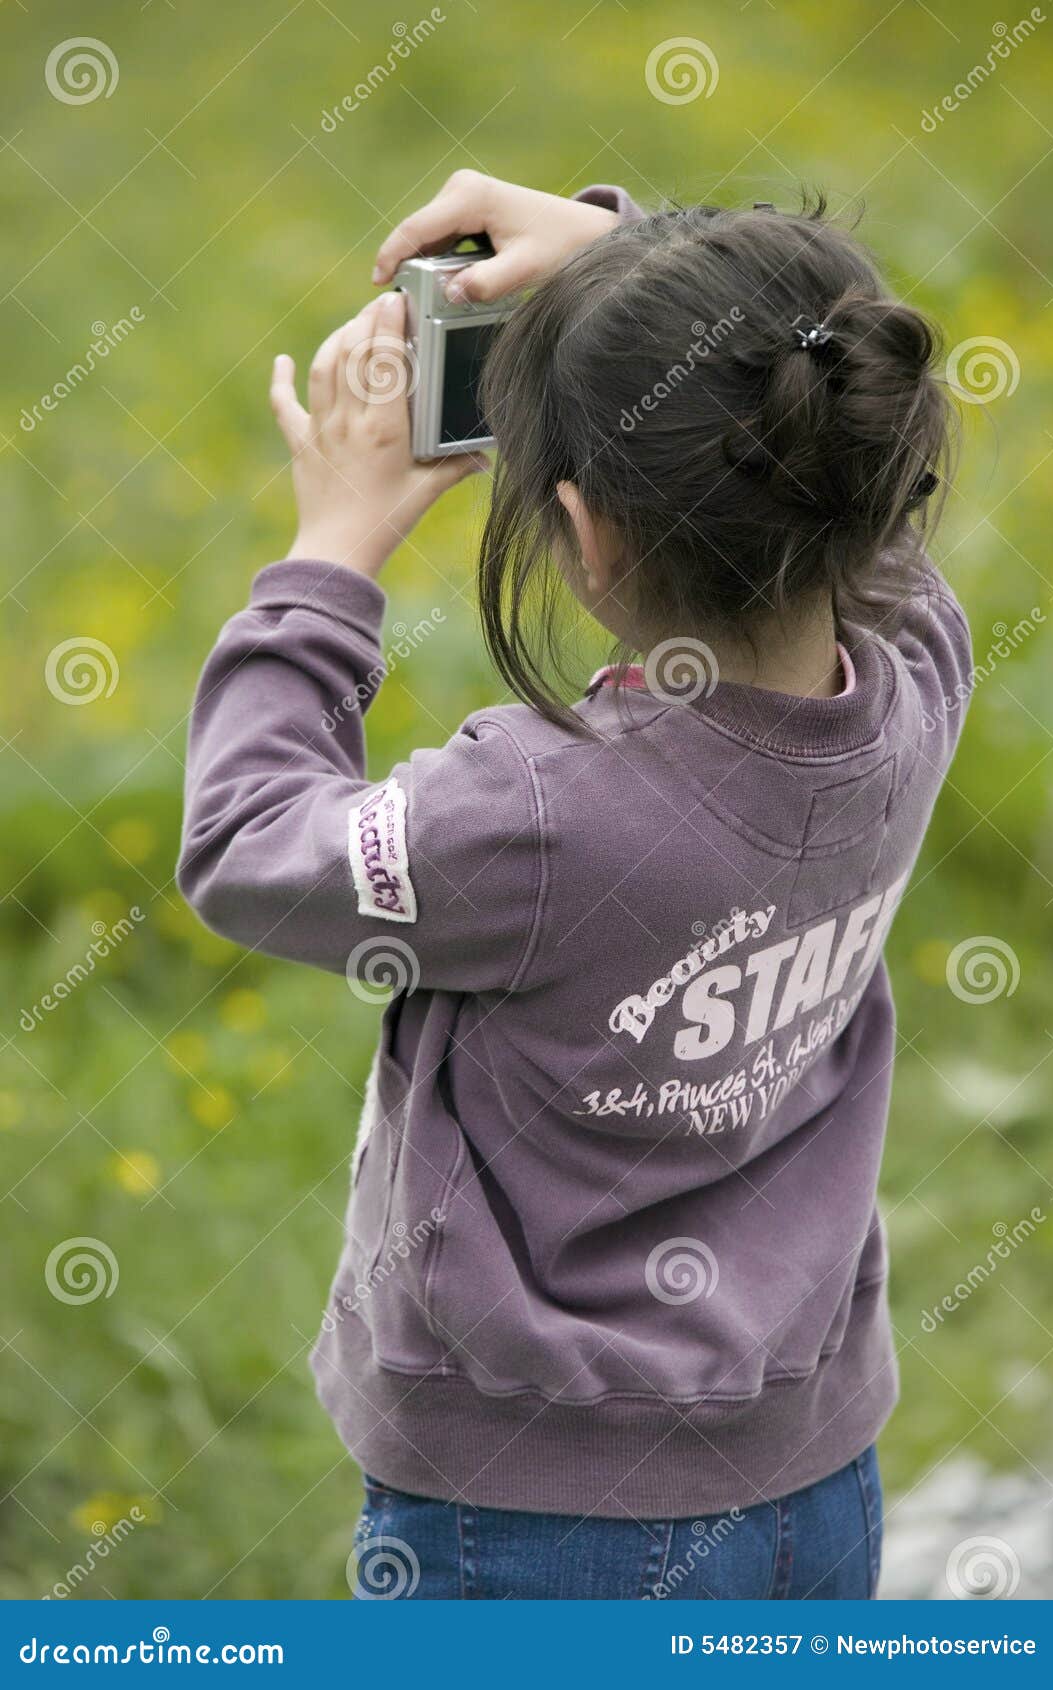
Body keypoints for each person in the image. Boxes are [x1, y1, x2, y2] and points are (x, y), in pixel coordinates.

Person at [178, 171, 971, 1600]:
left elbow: (247, 844)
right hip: (811, 1471)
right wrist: (647, 264)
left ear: (589, 538)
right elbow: (860, 466)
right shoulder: (917, 676)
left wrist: (332, 551)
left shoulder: (536, 816)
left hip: (533, 1513)